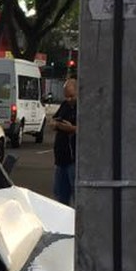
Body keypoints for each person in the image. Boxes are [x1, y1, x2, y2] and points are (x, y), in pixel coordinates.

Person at [51, 78, 78, 206]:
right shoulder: (64, 105)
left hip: (73, 161)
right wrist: (56, 124)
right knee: (60, 196)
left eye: (71, 96)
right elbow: (53, 121)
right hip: (60, 160)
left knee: (76, 195)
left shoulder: (82, 108)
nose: (68, 99)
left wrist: (71, 128)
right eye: (66, 96)